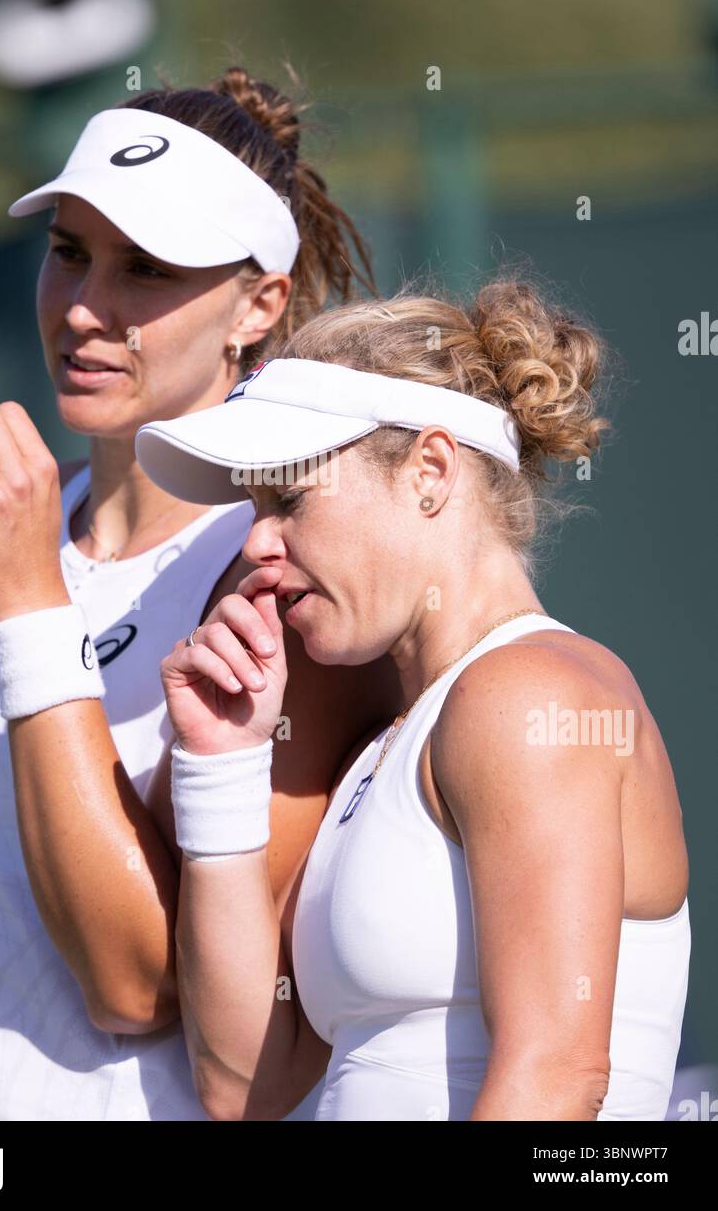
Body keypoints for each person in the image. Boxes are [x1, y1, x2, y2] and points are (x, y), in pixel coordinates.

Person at [0, 68, 402, 1122]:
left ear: (258, 304)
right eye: (69, 252)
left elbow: (137, 985)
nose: (85, 309)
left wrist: (32, 602)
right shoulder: (42, 524)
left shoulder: (277, 567)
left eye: (146, 268)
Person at [139, 278, 692, 1121]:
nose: (257, 541)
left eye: (288, 498)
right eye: (254, 507)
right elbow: (241, 1085)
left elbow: (555, 1080)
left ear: (430, 471)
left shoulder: (527, 693)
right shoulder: (391, 744)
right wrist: (224, 765)